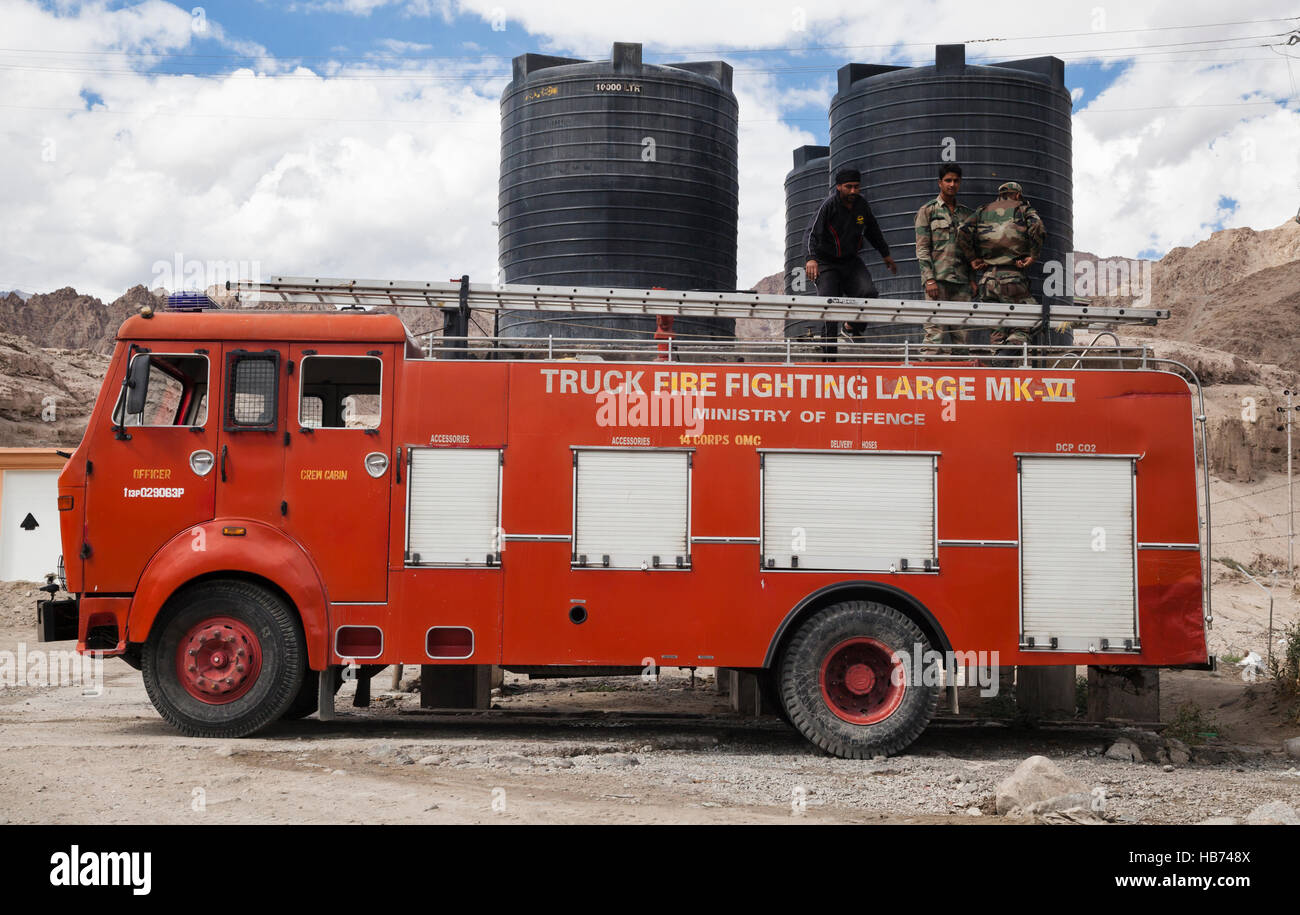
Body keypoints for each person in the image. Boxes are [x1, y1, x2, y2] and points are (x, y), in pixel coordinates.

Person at [804, 168, 897, 343]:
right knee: (829, 307)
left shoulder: (862, 206)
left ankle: (850, 328)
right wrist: (810, 258)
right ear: (839, 187)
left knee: (868, 293)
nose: (853, 191)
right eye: (848, 187)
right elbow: (811, 233)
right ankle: (828, 358)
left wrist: (885, 254)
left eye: (856, 187)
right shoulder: (828, 205)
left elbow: (873, 230)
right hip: (826, 263)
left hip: (851, 262)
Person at [957, 180, 1045, 352]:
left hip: (987, 281)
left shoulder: (982, 210)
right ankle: (1008, 351)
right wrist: (1033, 255)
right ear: (1018, 195)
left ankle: (999, 362)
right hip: (1012, 278)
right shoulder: (1023, 209)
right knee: (1025, 325)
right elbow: (1038, 227)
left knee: (997, 330)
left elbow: (962, 230)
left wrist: (973, 258)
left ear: (1000, 194)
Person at [914, 163, 976, 353]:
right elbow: (922, 248)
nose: (952, 184)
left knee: (962, 337)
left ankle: (962, 378)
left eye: (956, 181)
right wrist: (929, 279)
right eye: (948, 180)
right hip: (937, 282)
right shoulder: (928, 211)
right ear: (940, 183)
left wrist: (973, 280)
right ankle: (925, 377)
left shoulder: (967, 214)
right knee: (934, 334)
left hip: (962, 283)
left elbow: (971, 250)